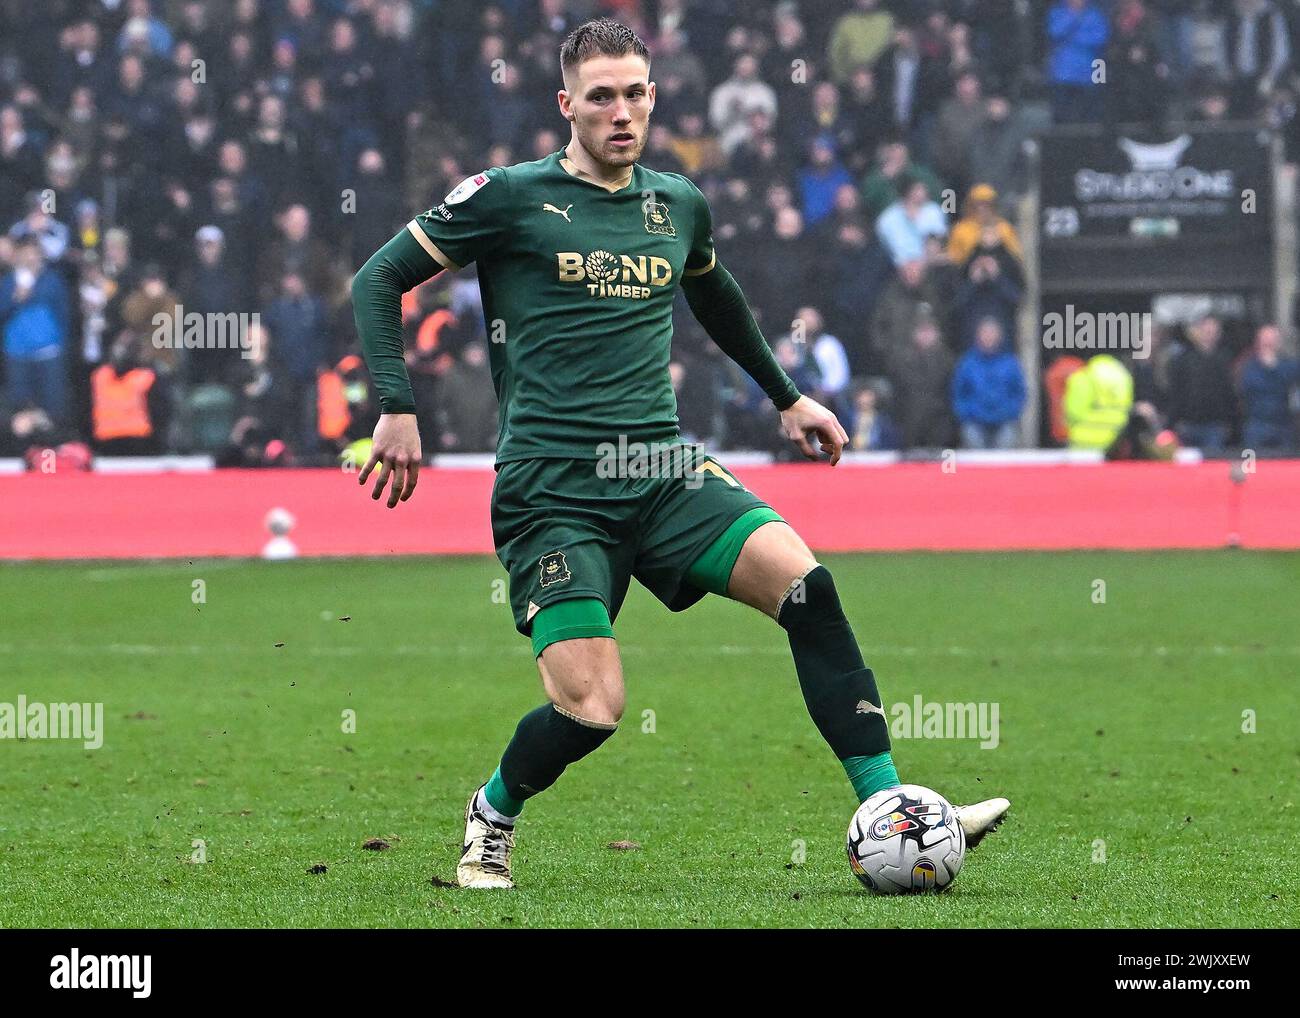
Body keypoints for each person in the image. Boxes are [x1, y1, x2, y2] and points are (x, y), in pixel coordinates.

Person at [349, 19, 1009, 890]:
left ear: (653, 96)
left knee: (810, 590)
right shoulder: (507, 196)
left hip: (660, 471)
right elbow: (377, 278)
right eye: (600, 98)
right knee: (592, 710)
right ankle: (493, 813)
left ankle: (892, 810)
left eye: (634, 94)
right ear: (566, 106)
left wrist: (788, 397)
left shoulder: (677, 204)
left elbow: (718, 296)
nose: (621, 112)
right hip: (554, 493)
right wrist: (396, 407)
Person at [952, 317, 1026, 449]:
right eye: (985, 333)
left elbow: (1019, 393)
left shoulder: (1010, 363)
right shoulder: (967, 363)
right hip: (975, 422)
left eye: (992, 333)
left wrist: (1010, 412)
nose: (988, 337)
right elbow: (958, 393)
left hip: (1004, 422)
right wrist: (967, 413)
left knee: (1004, 459)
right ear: (978, 336)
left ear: (999, 336)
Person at [1238, 323, 1299, 451]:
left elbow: (1289, 382)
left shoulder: (1289, 364)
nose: (1269, 343)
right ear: (1258, 341)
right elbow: (1250, 387)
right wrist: (1270, 370)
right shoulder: (1249, 366)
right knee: (1253, 465)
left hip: (1282, 425)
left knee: (1284, 466)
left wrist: (1273, 367)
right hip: (1257, 424)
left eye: (1273, 339)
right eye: (1266, 339)